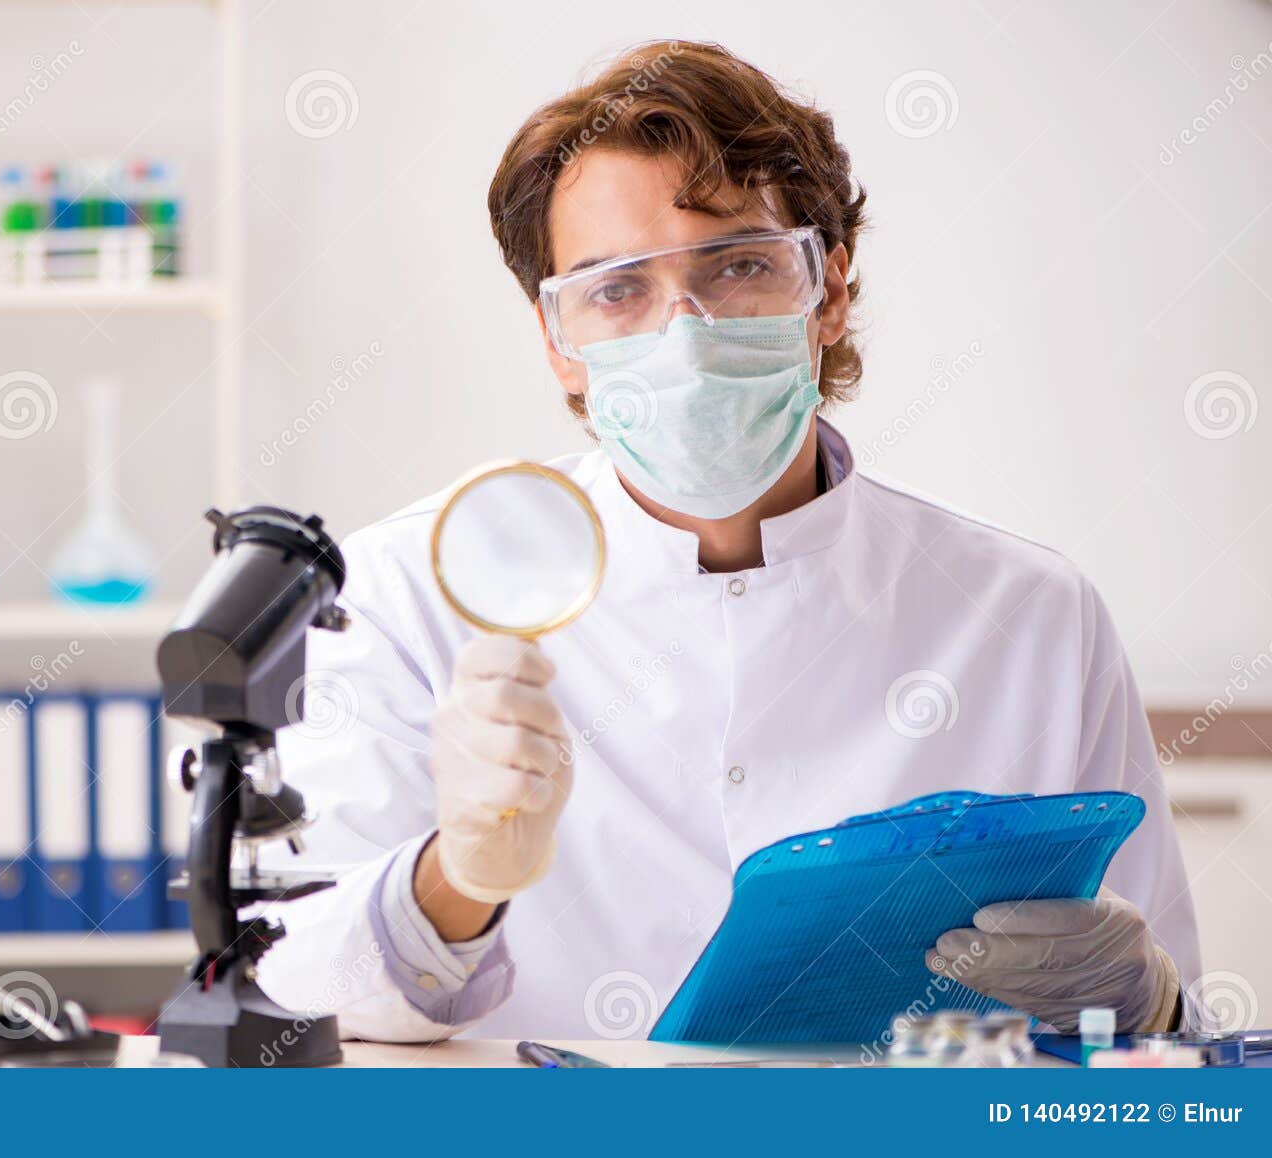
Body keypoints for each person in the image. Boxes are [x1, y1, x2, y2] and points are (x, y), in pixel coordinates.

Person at [255, 40, 1200, 1042]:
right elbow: (295, 999)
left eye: (740, 265)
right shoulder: (405, 595)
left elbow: (1179, 1057)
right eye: (616, 290)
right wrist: (458, 877)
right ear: (558, 344)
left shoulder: (1030, 615)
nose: (686, 333)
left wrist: (1145, 1002)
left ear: (829, 291)